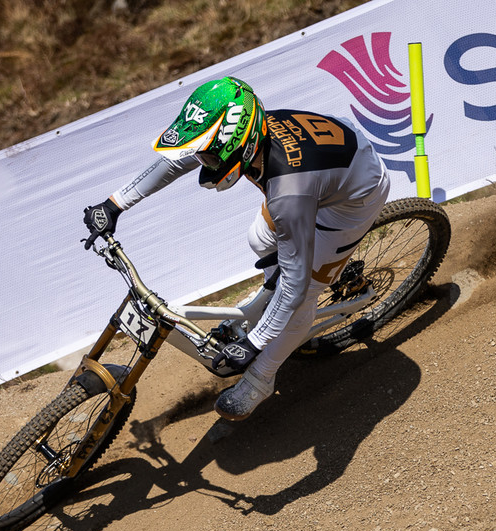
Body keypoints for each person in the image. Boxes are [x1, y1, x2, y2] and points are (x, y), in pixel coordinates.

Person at [82, 77, 389, 420]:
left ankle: (262, 377)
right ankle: (272, 308)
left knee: (301, 295)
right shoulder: (251, 136)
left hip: (353, 197)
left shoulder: (288, 193)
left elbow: (295, 283)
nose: (204, 164)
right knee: (260, 240)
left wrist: (256, 343)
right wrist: (115, 203)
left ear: (238, 145)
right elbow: (180, 159)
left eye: (209, 158)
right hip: (323, 171)